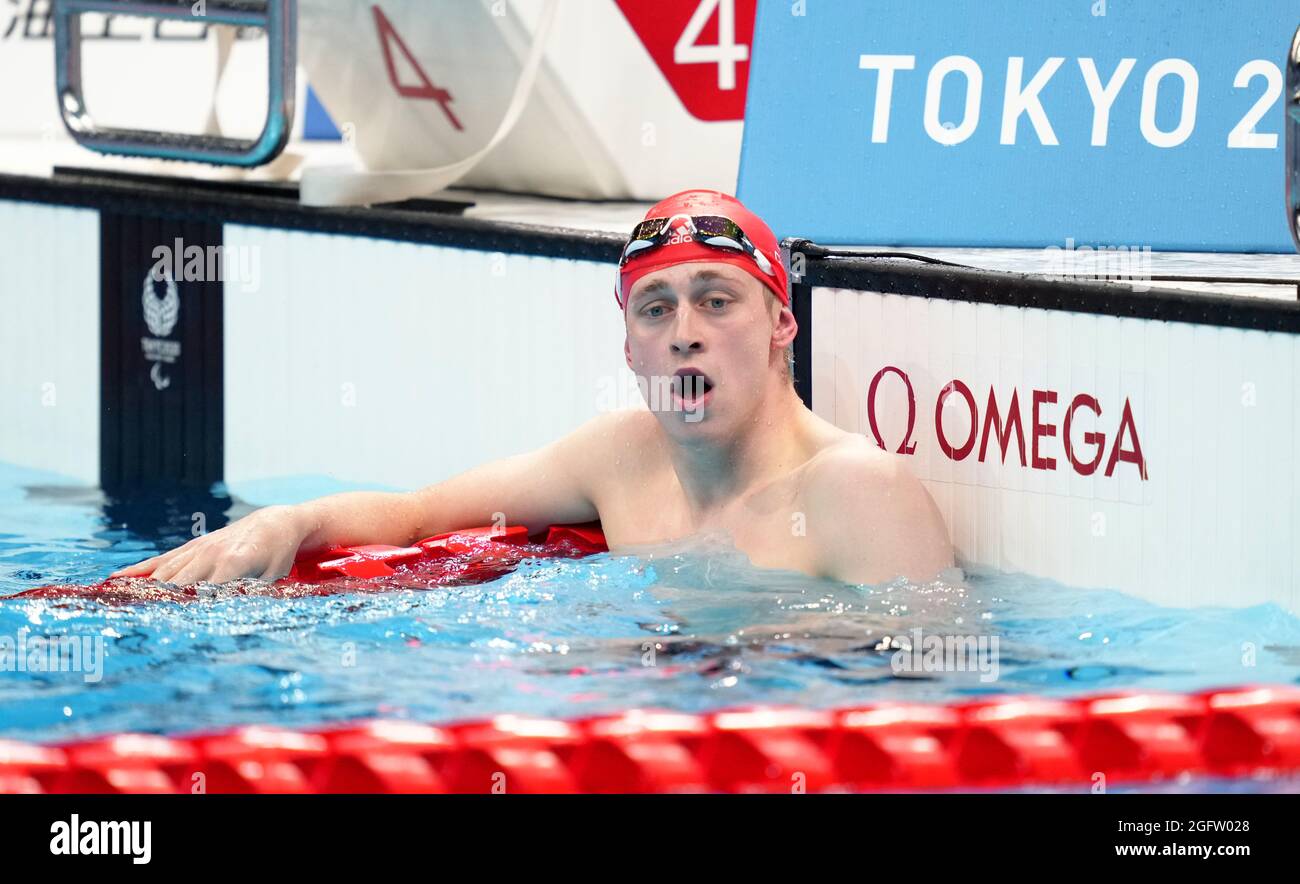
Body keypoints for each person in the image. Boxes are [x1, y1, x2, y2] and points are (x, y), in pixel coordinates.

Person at [113, 190, 953, 586]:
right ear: (631, 350)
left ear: (781, 326)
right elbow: (419, 512)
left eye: (716, 300)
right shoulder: (626, 455)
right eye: (656, 309)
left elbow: (937, 708)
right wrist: (288, 519)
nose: (684, 331)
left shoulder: (855, 490)